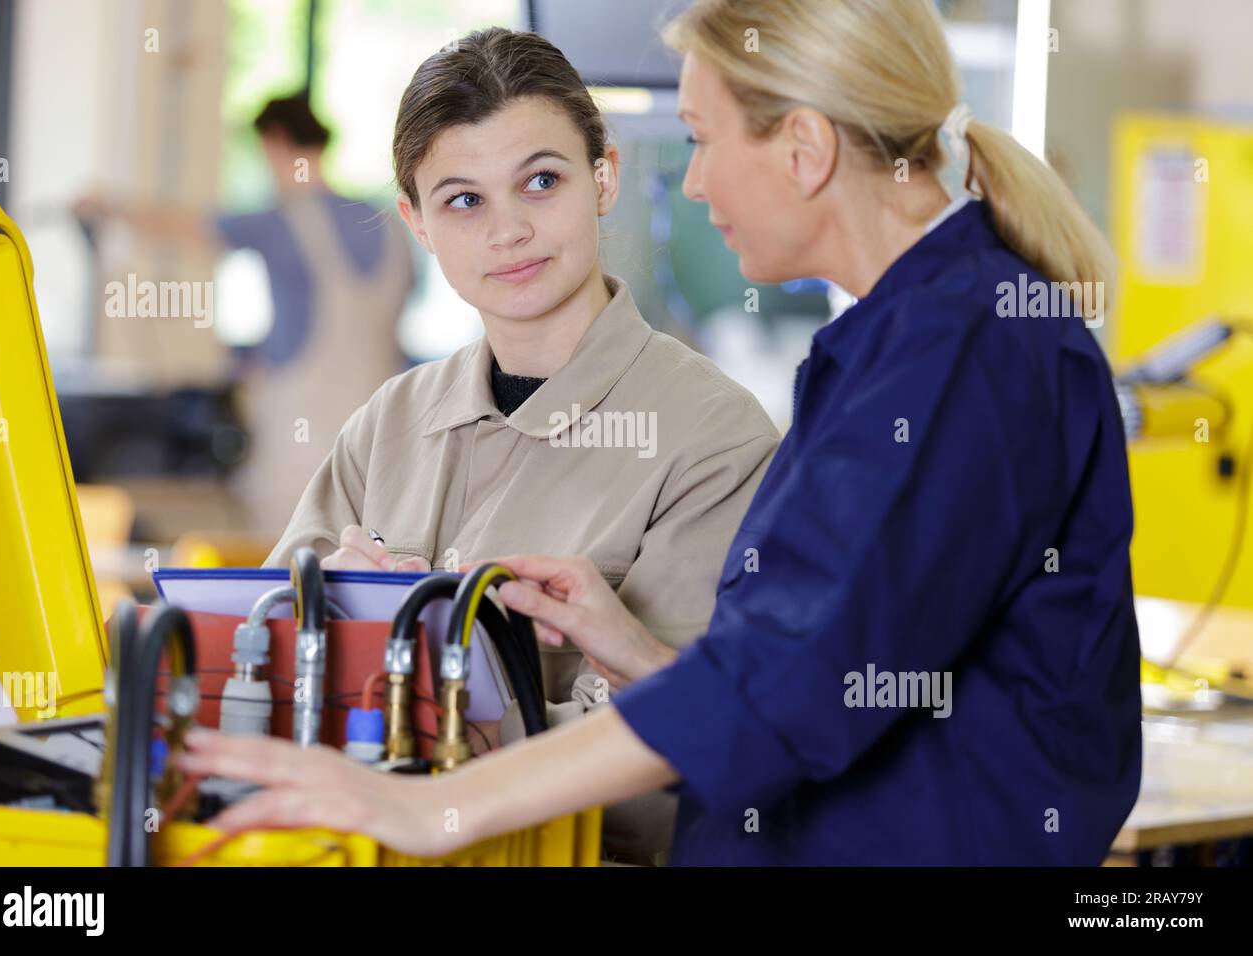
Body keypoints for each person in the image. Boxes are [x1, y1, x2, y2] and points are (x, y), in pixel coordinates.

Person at [179, 0, 1142, 865]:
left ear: (803, 149)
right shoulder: (905, 345)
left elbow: (784, 690)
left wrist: (442, 803)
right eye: (463, 199)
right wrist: (634, 653)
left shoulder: (962, 352)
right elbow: (825, 660)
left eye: (701, 139)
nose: (691, 184)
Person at [260, 28, 779, 863]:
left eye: (540, 182)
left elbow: (672, 750)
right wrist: (355, 615)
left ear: (603, 178)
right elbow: (259, 663)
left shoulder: (715, 441)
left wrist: (422, 674)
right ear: (417, 222)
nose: (507, 232)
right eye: (463, 199)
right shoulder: (387, 424)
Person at [75, 94, 415, 535]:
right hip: (383, 434)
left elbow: (187, 226)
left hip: (301, 444)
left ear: (274, 141)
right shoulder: (388, 223)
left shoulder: (283, 220)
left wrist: (108, 209)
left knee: (291, 565)